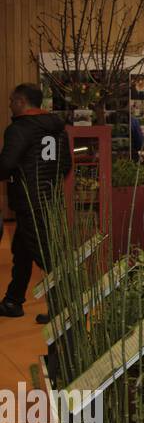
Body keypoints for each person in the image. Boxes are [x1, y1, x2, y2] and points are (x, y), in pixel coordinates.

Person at [0, 84, 71, 318]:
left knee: (46, 256)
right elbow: (66, 166)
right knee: (22, 250)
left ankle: (64, 308)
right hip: (49, 199)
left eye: (11, 100)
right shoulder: (58, 129)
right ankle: (13, 301)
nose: (10, 105)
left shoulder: (18, 129)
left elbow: (6, 165)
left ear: (21, 101)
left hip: (28, 200)